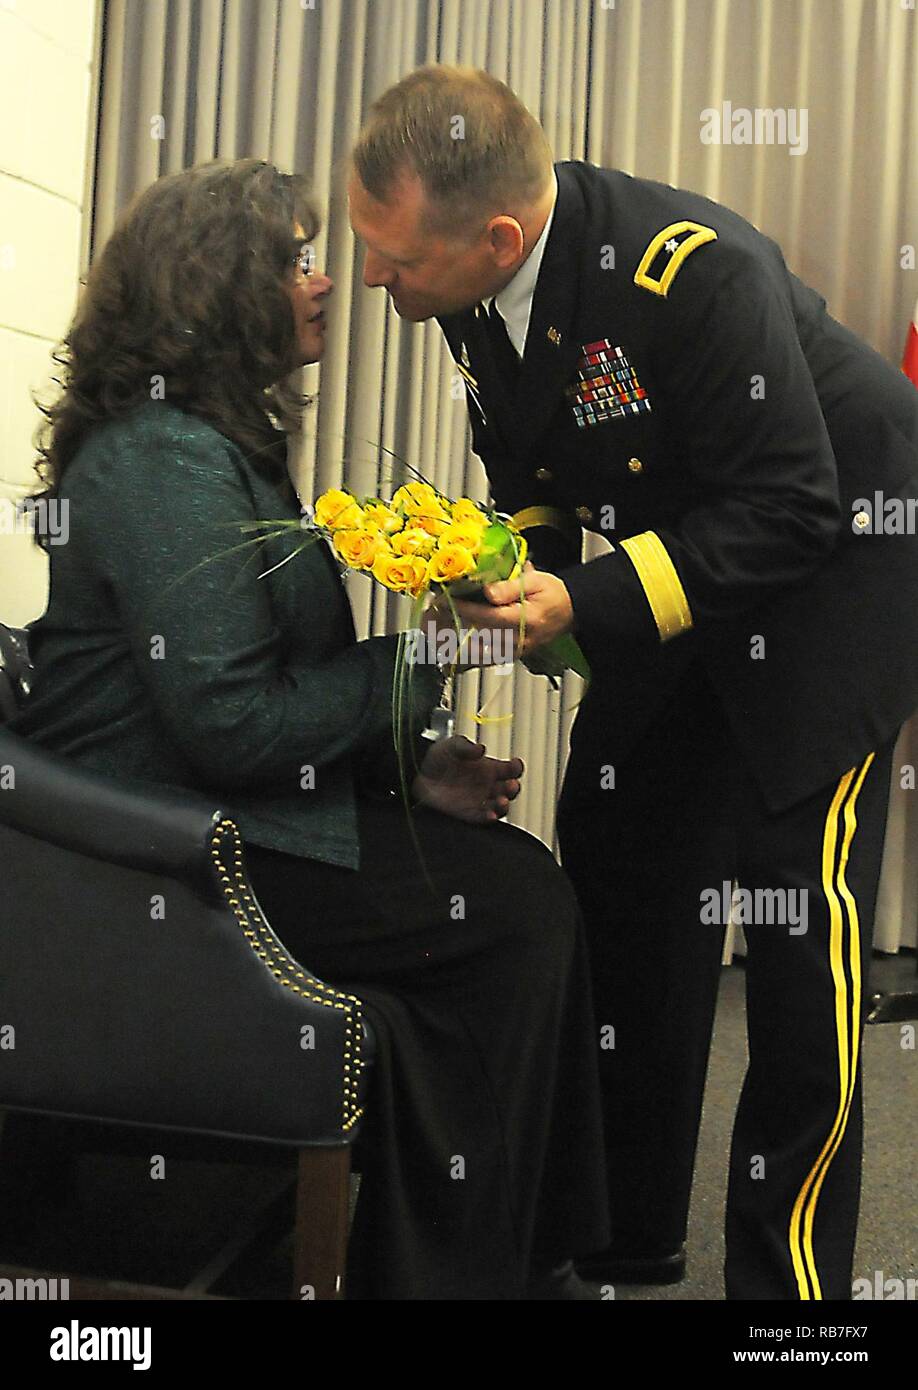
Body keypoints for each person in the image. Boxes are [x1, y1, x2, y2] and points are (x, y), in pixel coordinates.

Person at [347, 64, 918, 1300]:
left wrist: (580, 602)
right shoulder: (469, 292)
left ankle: (796, 1298)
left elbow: (794, 504)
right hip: (696, 567)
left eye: (394, 259)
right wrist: (512, 569)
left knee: (797, 926)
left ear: (495, 236)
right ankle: (626, 1231)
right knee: (619, 847)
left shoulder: (689, 269)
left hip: (838, 574)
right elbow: (544, 465)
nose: (372, 281)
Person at [11, 157, 612, 1300]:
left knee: (519, 885)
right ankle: (486, 1265)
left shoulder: (201, 445)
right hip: (159, 859)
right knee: (515, 909)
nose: (327, 279)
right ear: (219, 288)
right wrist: (436, 651)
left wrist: (405, 773)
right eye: (294, 260)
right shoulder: (162, 461)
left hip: (211, 822)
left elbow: (247, 705)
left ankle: (510, 1256)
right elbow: (233, 722)